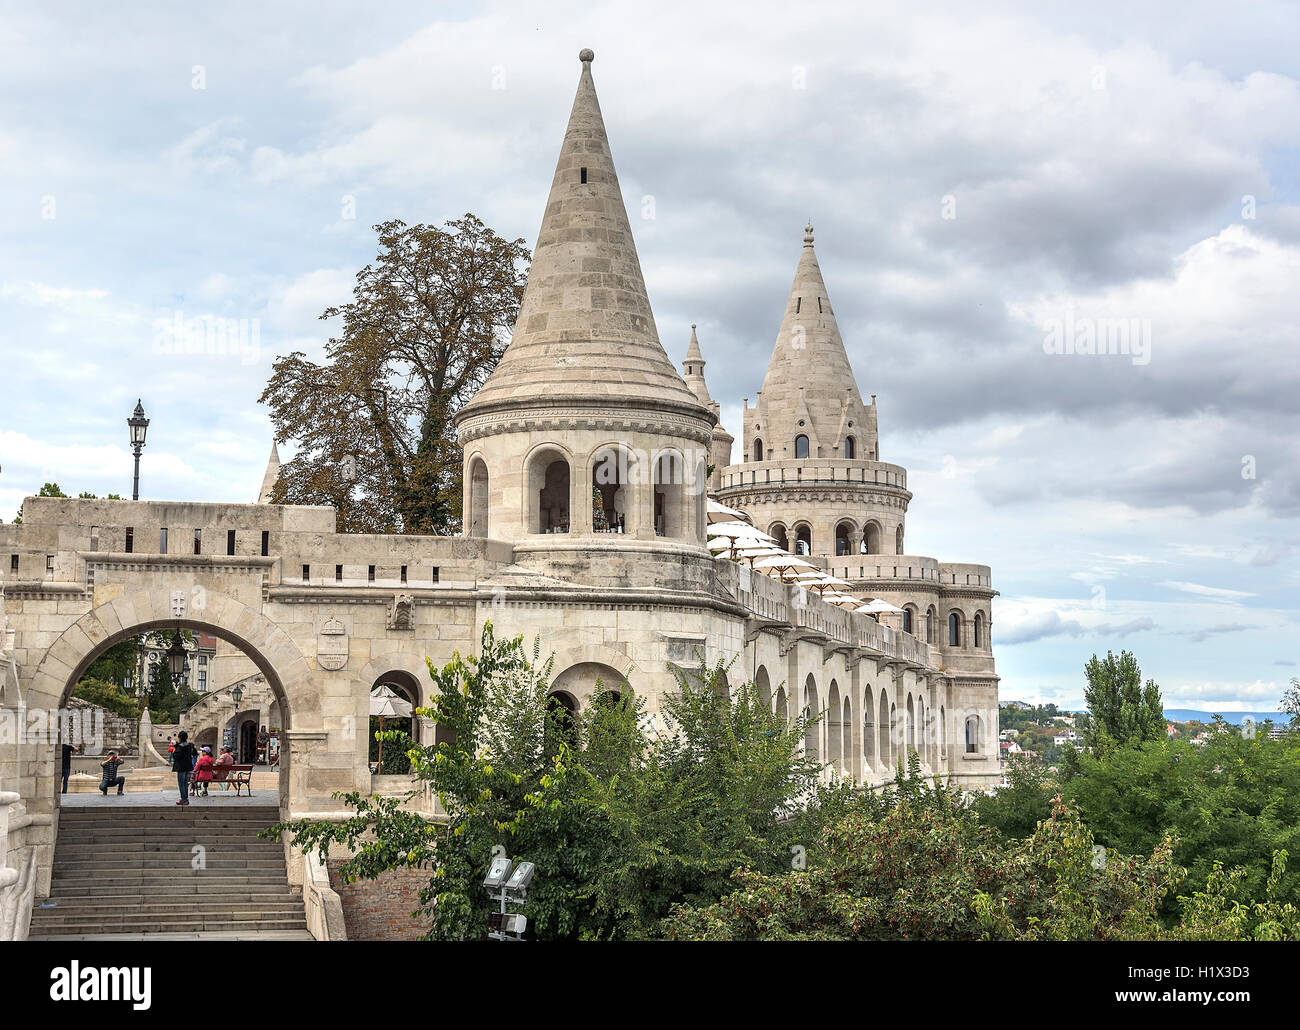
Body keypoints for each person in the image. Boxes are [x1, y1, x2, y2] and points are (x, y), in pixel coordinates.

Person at [172, 731, 197, 806]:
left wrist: (174, 751)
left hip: (181, 767)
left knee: (181, 783)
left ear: (179, 738)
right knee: (185, 783)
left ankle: (183, 799)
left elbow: (177, 756)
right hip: (188, 767)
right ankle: (186, 799)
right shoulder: (189, 746)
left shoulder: (180, 746)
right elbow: (194, 753)